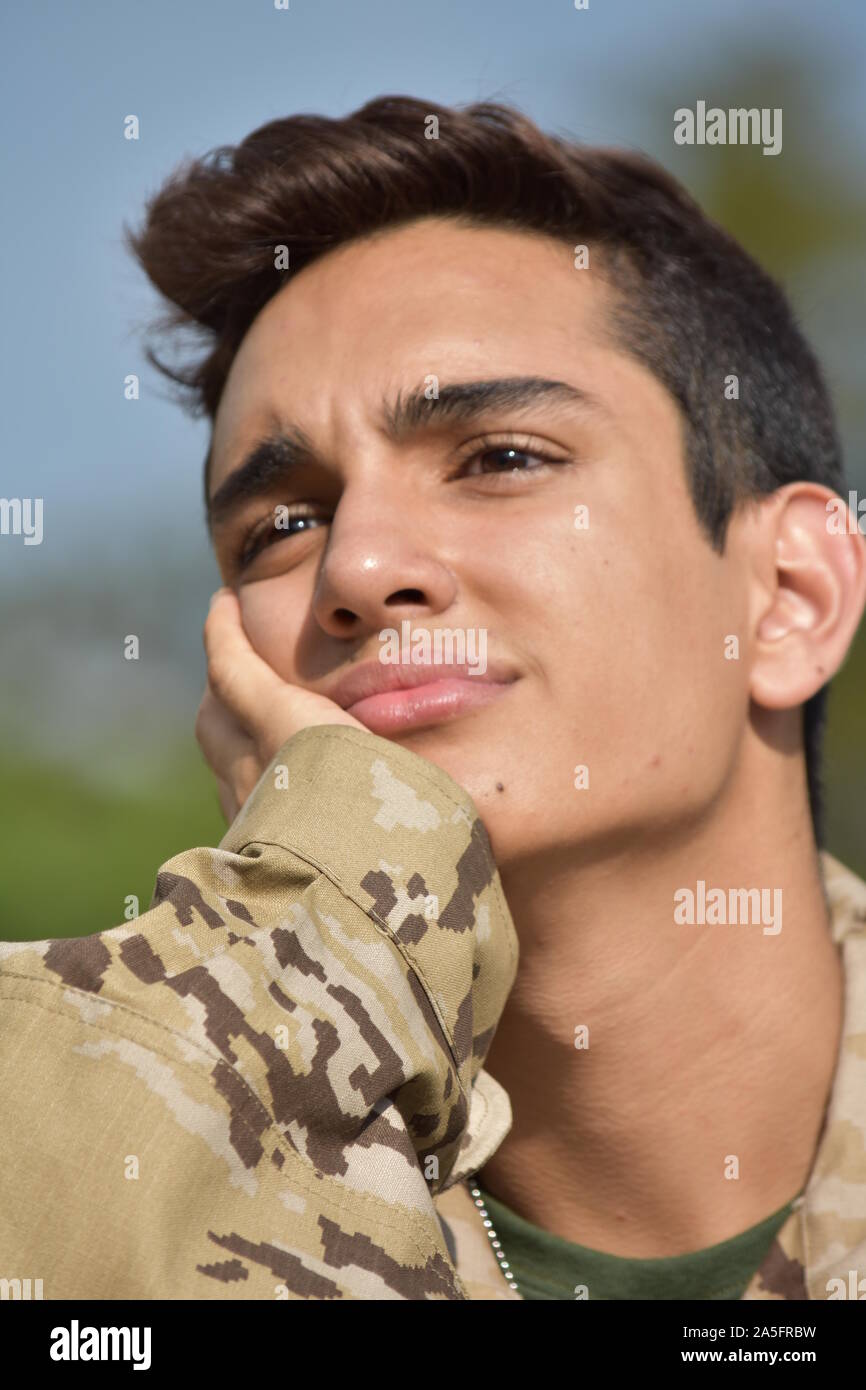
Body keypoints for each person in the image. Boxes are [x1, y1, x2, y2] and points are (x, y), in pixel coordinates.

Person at [1, 95, 864, 1302]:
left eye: (499, 458)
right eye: (282, 523)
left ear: (788, 596)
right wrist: (320, 923)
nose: (355, 568)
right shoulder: (80, 1115)